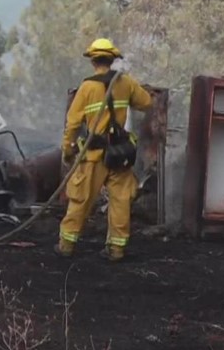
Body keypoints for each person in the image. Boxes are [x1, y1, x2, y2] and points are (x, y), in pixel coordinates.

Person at [56, 38, 152, 261]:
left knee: (81, 199)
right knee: (120, 201)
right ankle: (116, 249)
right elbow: (147, 103)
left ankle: (66, 245)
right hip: (119, 155)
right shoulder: (125, 83)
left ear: (92, 61)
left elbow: (72, 124)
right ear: (112, 59)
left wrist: (67, 151)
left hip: (94, 156)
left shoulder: (87, 87)